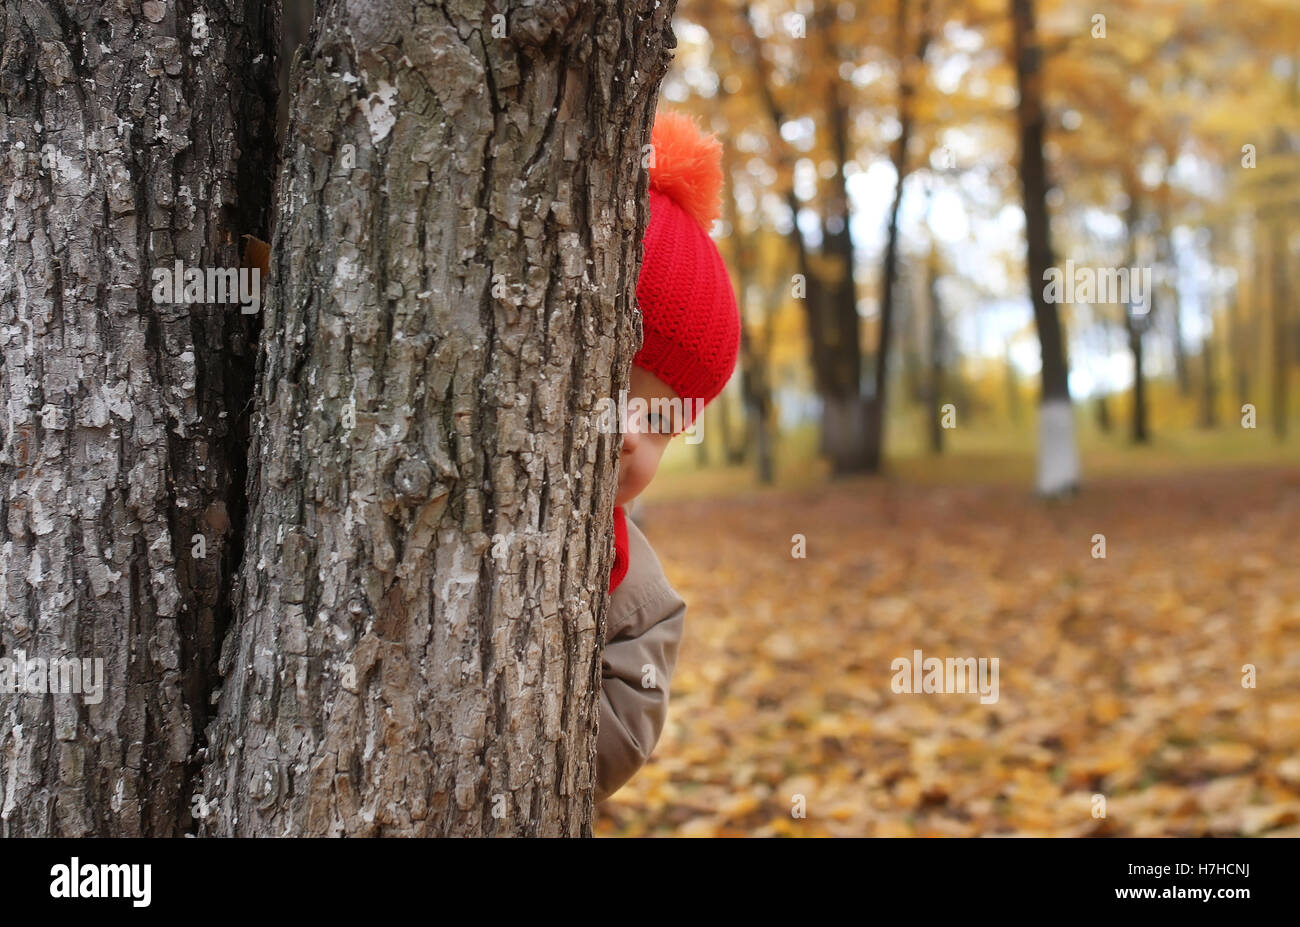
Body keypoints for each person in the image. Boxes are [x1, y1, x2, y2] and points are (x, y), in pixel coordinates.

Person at [595, 110, 741, 802]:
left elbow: (629, 721)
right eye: (609, 385)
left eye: (657, 420)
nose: (628, 432)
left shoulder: (635, 578)